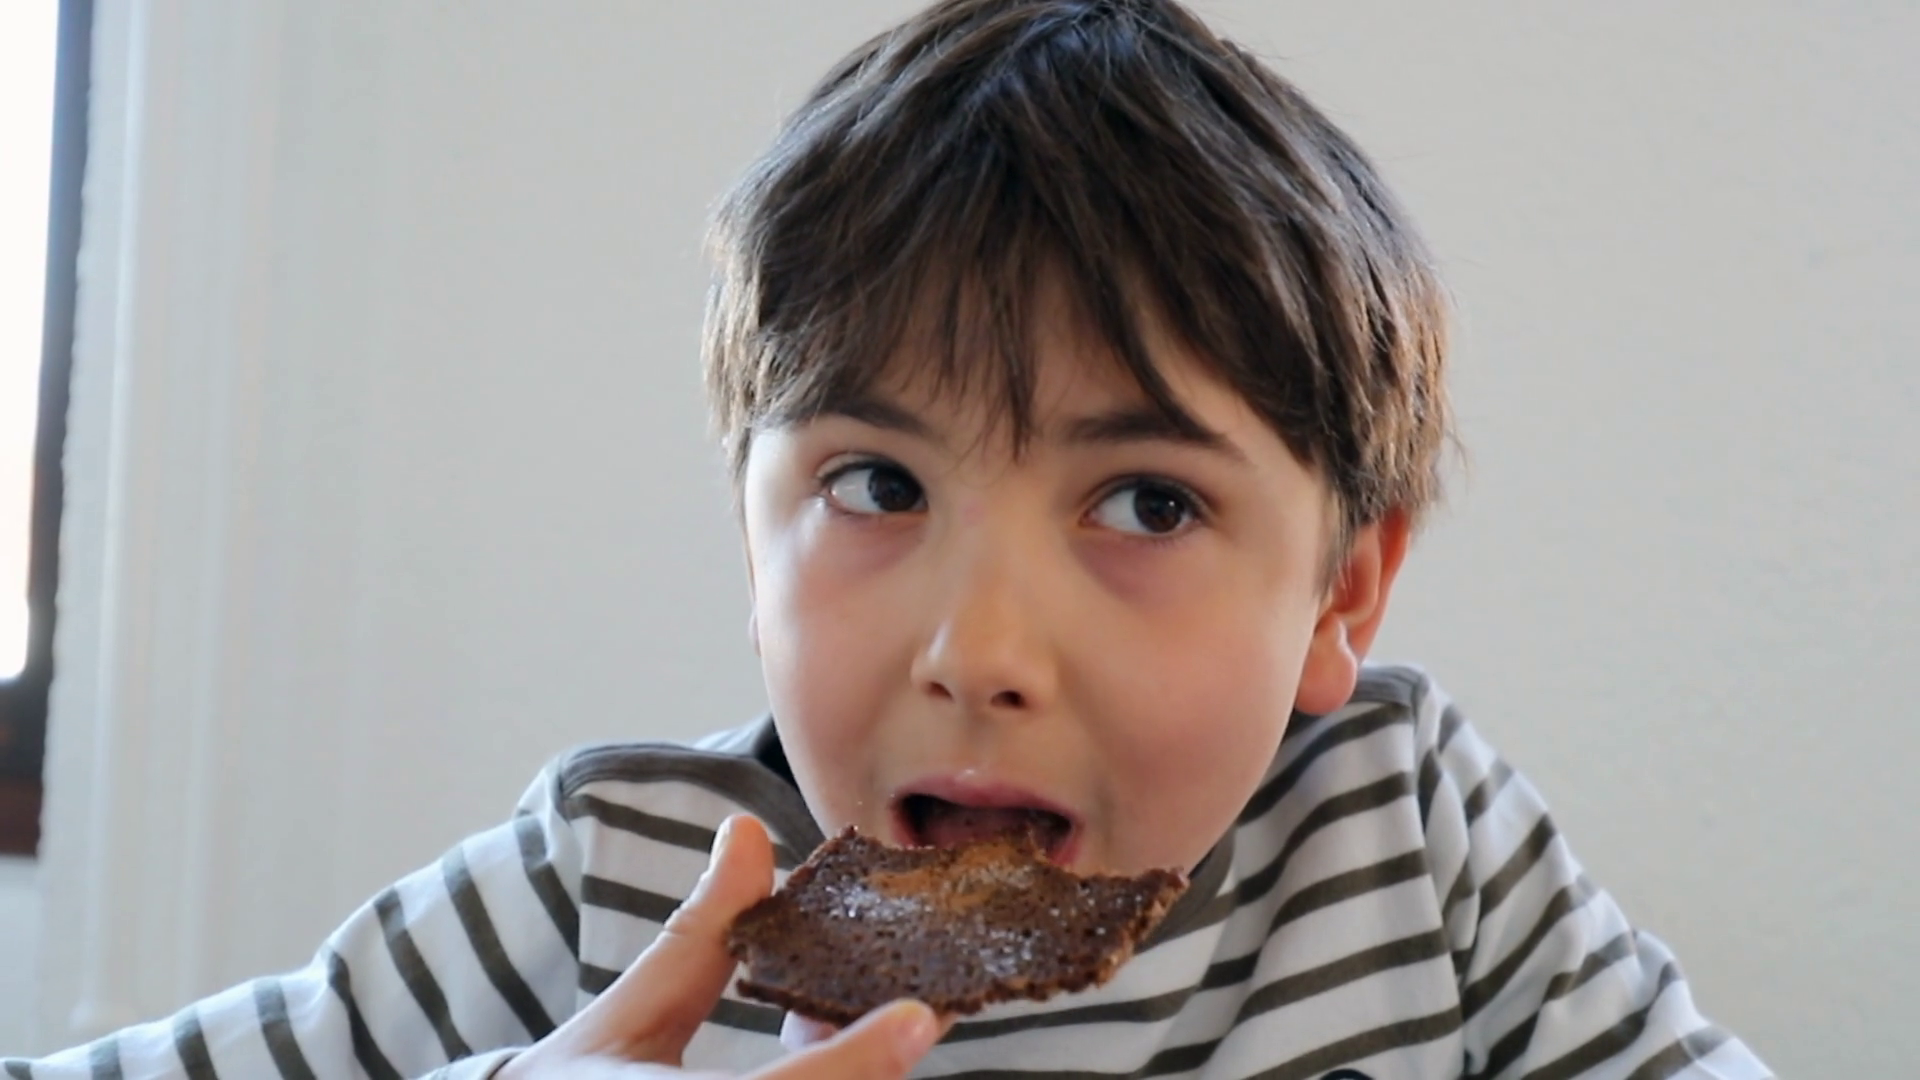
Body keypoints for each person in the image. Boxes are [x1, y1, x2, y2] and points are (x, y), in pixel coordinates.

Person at [7, 1, 1773, 1077]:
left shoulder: (1410, 841)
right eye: (876, 487)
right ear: (750, 528)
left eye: (1146, 504)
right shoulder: (615, 885)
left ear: (1343, 592)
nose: (977, 651)